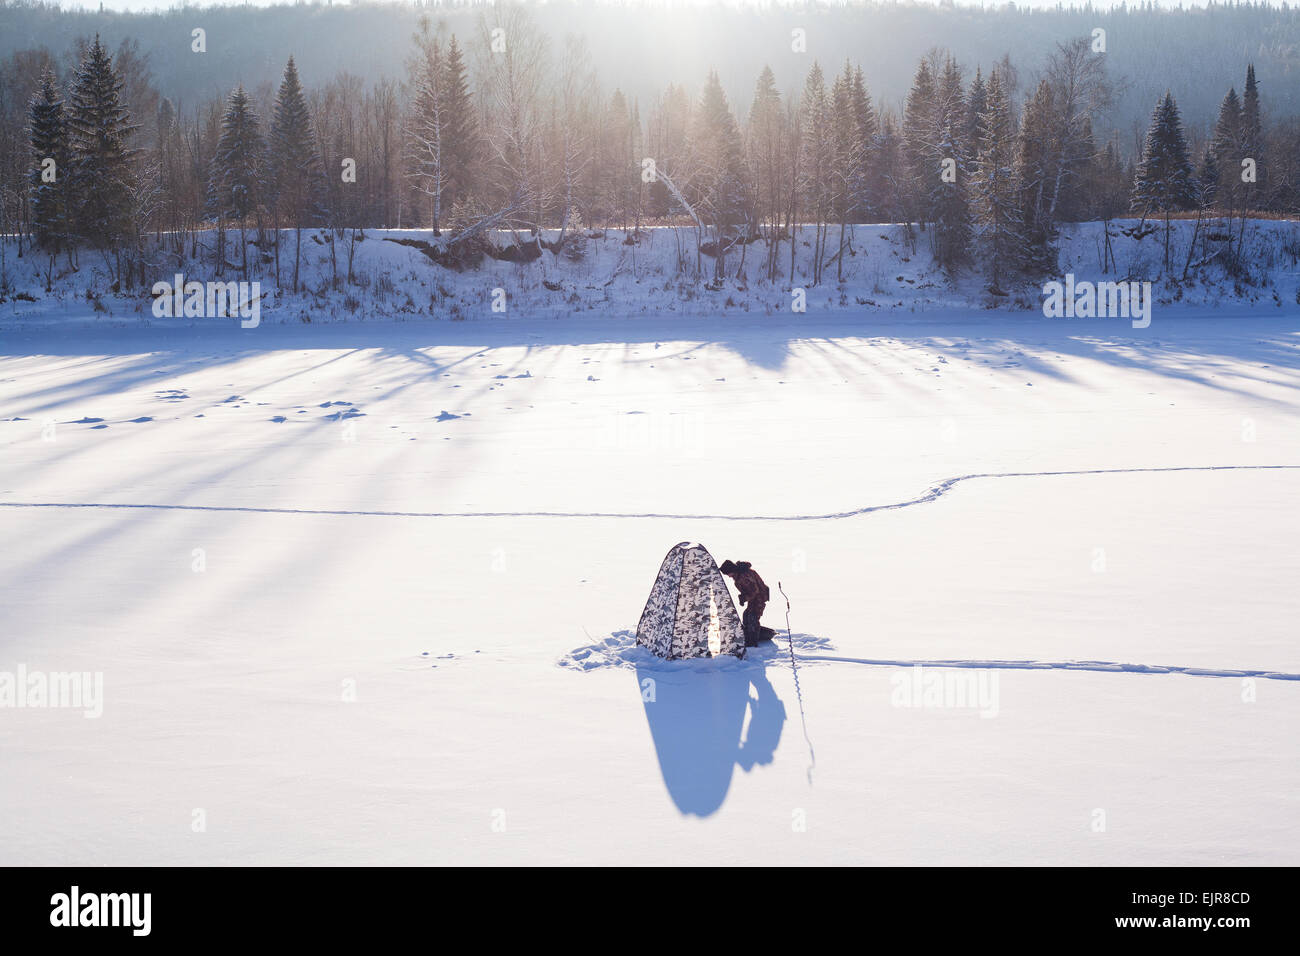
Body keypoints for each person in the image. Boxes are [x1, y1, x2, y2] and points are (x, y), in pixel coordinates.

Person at [719, 559, 774, 648]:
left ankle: (752, 643)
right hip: (754, 599)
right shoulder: (739, 575)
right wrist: (743, 597)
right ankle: (748, 637)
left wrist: (744, 598)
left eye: (727, 574)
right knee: (746, 615)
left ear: (731, 570)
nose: (728, 576)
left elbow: (754, 591)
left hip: (759, 598)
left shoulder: (743, 576)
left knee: (752, 617)